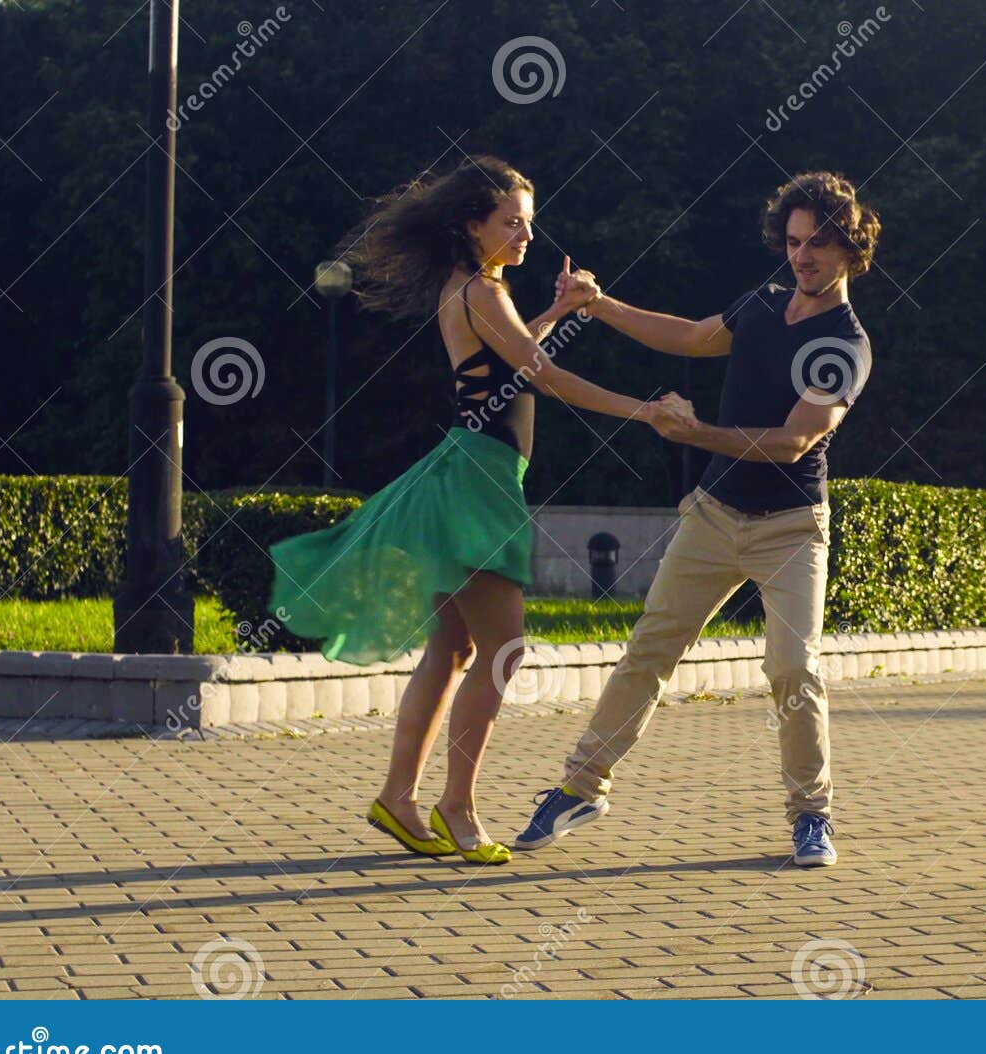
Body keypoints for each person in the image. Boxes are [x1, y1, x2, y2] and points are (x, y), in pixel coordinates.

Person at [267, 157, 694, 865]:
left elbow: (511, 356)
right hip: (477, 483)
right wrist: (643, 410)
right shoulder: (479, 291)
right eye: (512, 222)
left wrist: (559, 309)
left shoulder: (472, 289)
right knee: (503, 650)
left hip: (467, 470)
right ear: (474, 226)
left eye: (530, 221)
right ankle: (456, 805)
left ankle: (400, 799)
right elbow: (543, 375)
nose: (526, 234)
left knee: (454, 648)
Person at [516, 170, 880, 866]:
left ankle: (812, 816)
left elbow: (792, 442)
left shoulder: (846, 344)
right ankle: (581, 786)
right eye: (796, 242)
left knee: (792, 667)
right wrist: (596, 305)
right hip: (714, 515)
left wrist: (696, 434)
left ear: (850, 251)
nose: (803, 257)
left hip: (791, 527)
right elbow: (688, 336)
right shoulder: (763, 304)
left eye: (820, 245)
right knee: (650, 649)